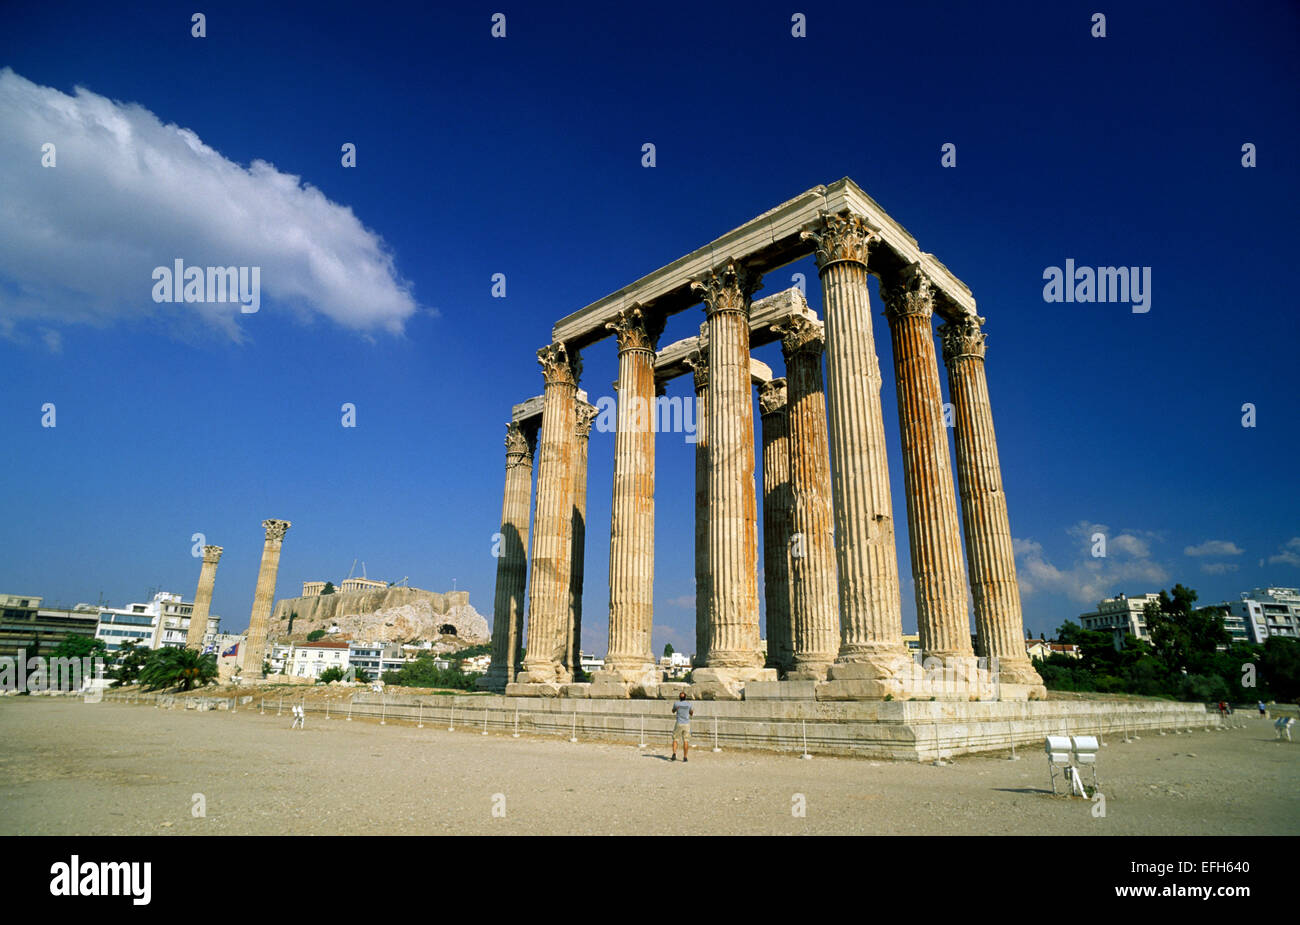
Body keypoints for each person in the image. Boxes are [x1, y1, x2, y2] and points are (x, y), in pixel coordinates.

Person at [670, 691, 693, 762]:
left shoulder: (676, 703)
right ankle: (685, 757)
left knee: (675, 739)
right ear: (685, 697)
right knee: (686, 740)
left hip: (679, 723)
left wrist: (677, 709)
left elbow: (673, 711)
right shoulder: (689, 704)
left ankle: (674, 753)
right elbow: (691, 713)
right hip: (686, 724)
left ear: (679, 697)